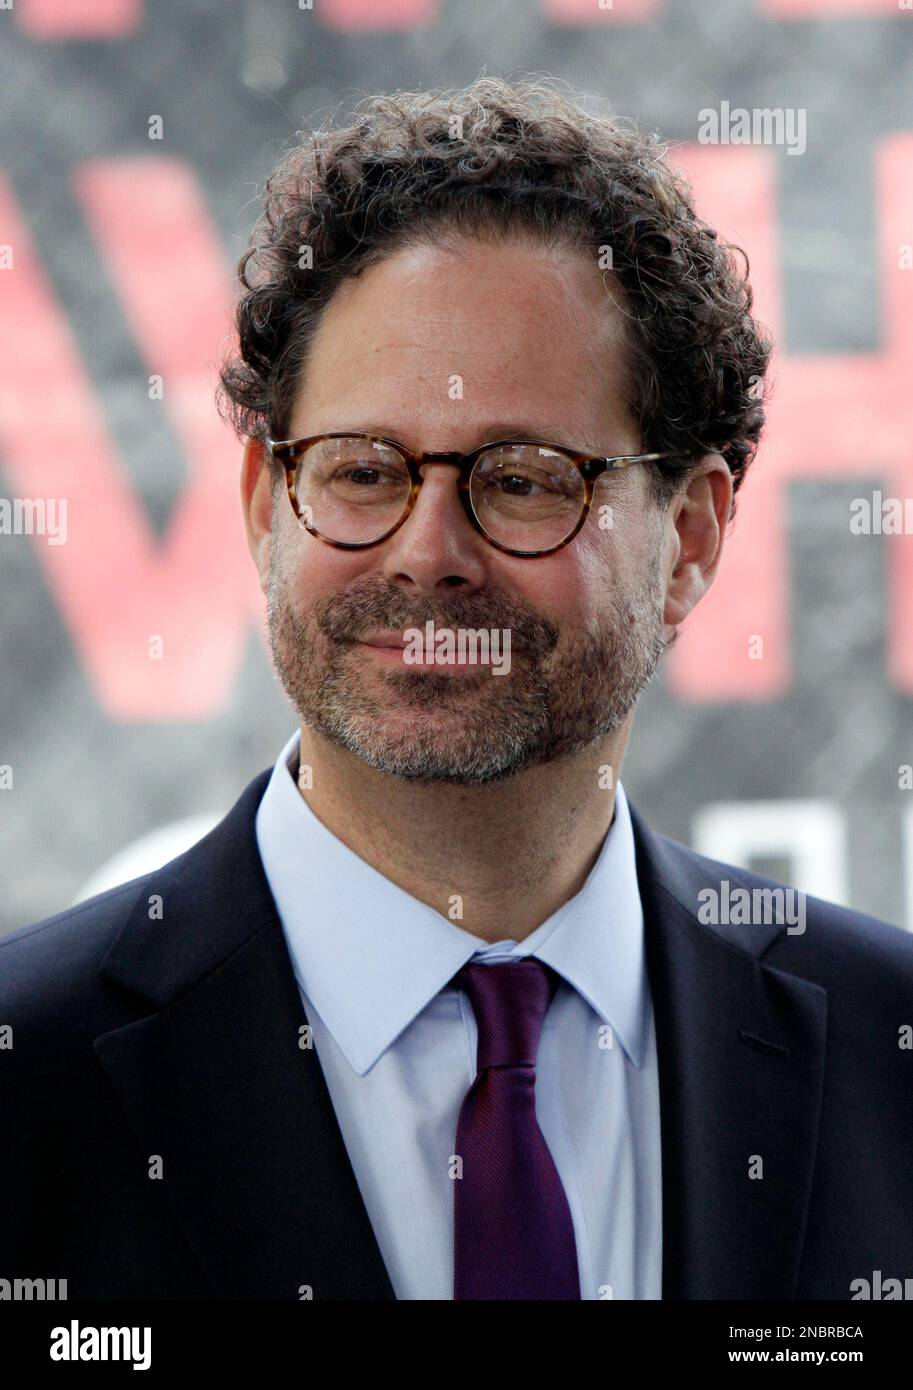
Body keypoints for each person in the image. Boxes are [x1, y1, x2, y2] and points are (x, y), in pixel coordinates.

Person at [2, 75, 912, 1302]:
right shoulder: (26, 1071)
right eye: (363, 471)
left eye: (523, 478)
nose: (427, 551)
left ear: (689, 538)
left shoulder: (885, 1050)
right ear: (267, 504)